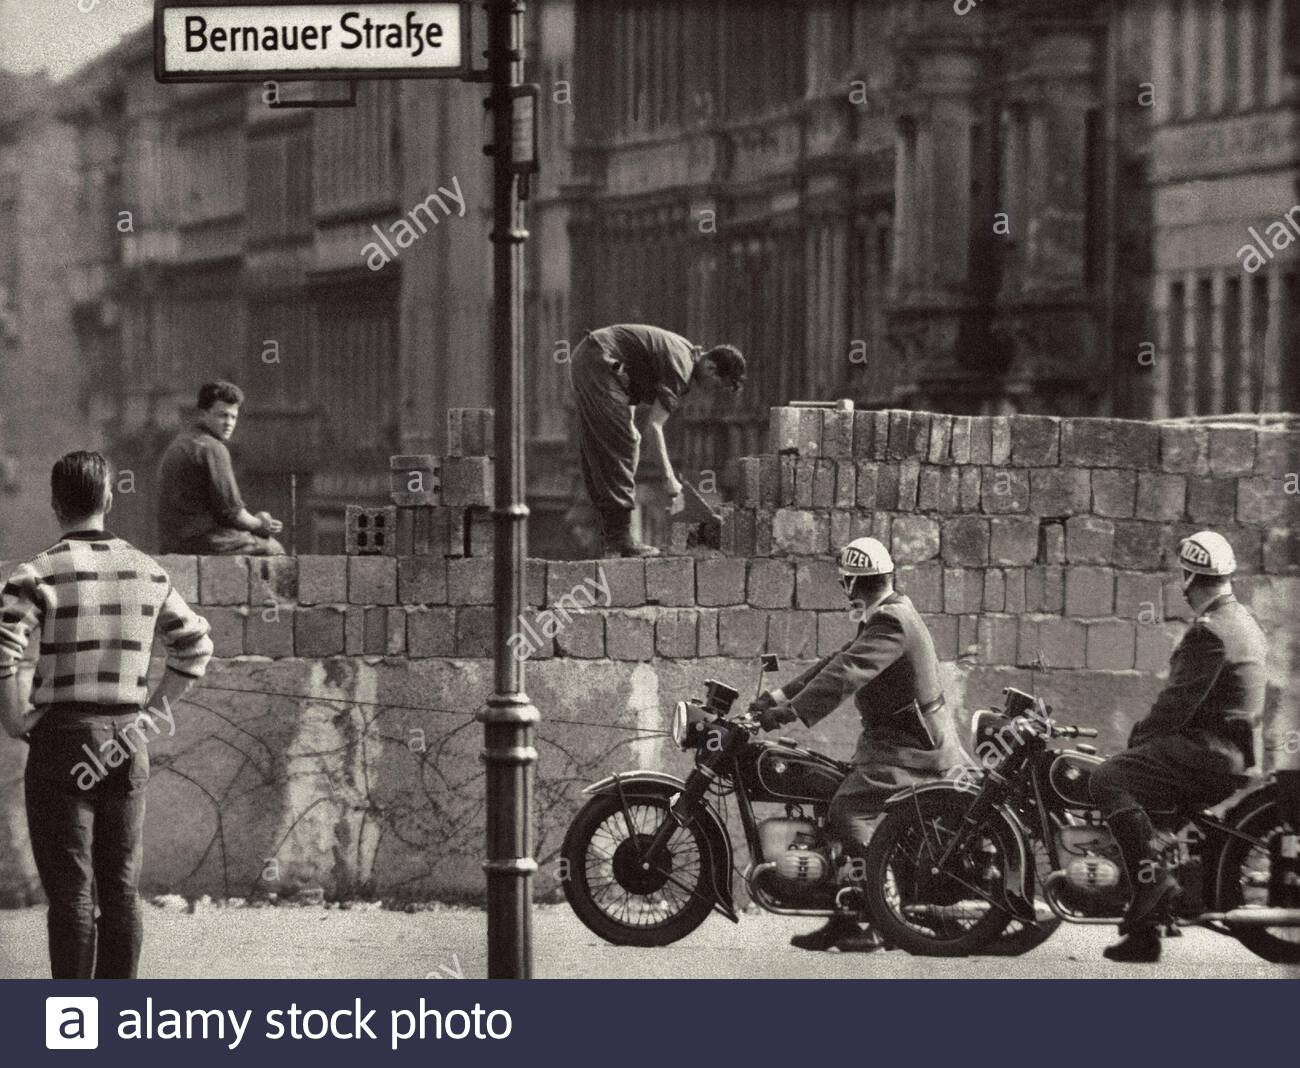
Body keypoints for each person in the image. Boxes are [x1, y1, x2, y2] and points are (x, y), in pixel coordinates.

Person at [0, 451, 214, 979]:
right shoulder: (147, 570)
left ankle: (74, 1035)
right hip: (124, 741)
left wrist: (13, 717)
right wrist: (149, 717)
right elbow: (195, 648)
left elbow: (5, 644)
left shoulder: (35, 572)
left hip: (61, 740)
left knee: (71, 895)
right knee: (120, 890)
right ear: (109, 499)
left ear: (55, 504)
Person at [751, 536, 972, 951]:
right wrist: (774, 699)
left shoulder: (890, 622)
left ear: (852, 584)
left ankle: (872, 919)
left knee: (849, 810)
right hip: (894, 741)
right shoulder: (887, 613)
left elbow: (844, 675)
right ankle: (846, 911)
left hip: (912, 748)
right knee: (829, 792)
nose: (846, 591)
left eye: (846, 583)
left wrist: (786, 715)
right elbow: (834, 663)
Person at [1089, 530, 1266, 963]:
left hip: (1209, 754)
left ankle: (1152, 885)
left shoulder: (1209, 631)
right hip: (1230, 755)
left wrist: (1136, 743)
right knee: (1149, 810)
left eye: (1184, 578)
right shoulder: (1243, 621)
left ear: (1190, 578)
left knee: (1108, 777)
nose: (1183, 587)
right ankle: (1145, 934)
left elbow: (1175, 705)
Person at [569, 324, 745, 557]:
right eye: (717, 386)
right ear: (711, 367)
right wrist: (670, 480)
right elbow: (655, 426)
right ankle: (620, 540)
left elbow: (631, 374)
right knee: (621, 446)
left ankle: (612, 537)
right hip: (599, 361)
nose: (712, 393)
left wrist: (629, 430)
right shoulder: (682, 366)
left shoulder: (685, 352)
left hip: (595, 359)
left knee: (619, 442)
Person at [156, 380, 286, 555]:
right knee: (274, 549)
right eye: (222, 415)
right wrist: (260, 524)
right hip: (202, 541)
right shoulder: (212, 448)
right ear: (203, 414)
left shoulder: (180, 443)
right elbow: (233, 513)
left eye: (233, 417)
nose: (229, 423)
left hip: (172, 543)